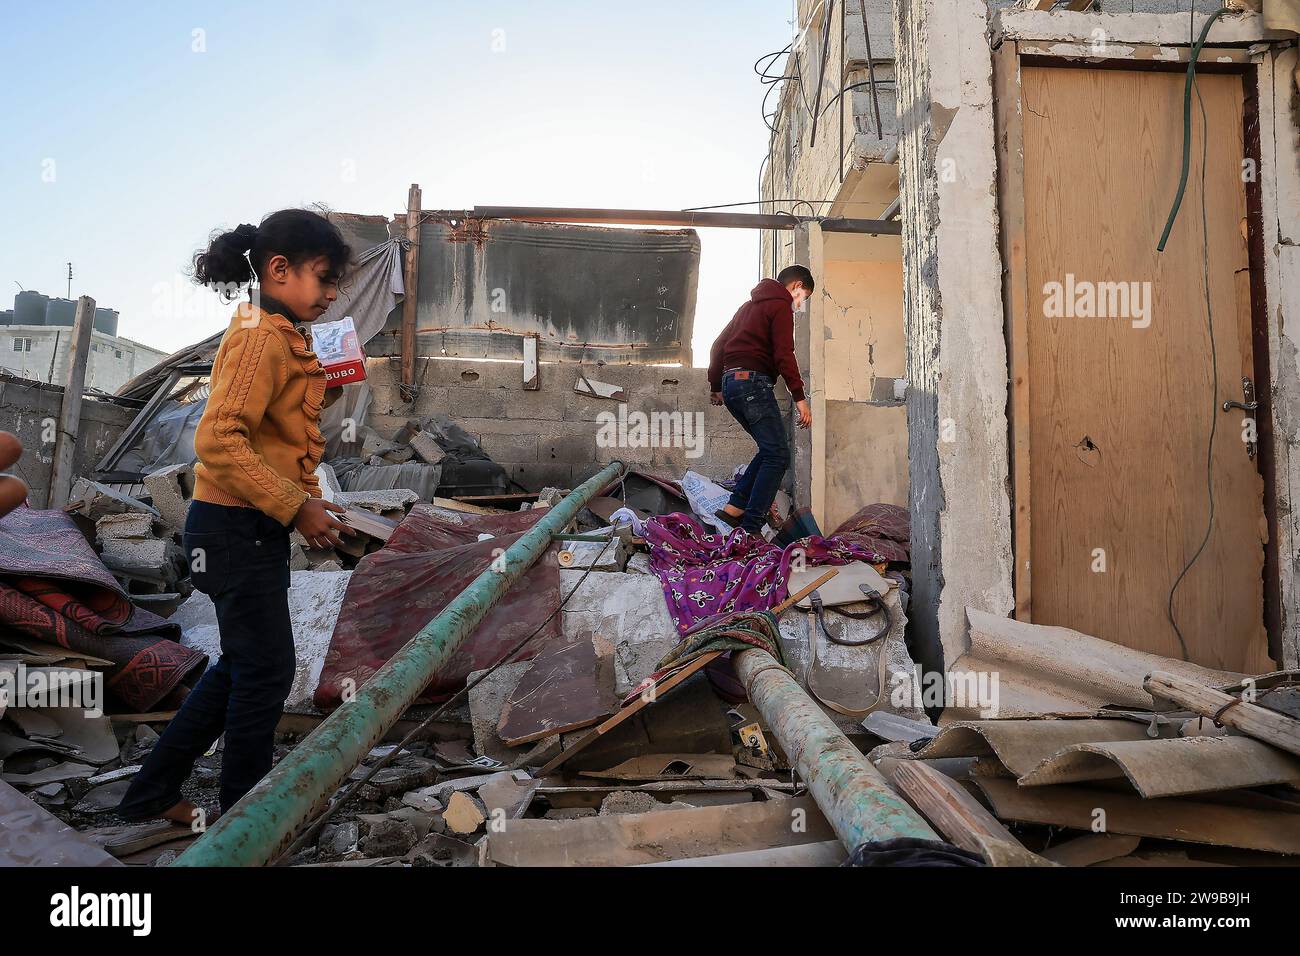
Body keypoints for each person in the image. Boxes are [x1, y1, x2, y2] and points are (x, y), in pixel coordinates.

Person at [118, 209, 354, 826]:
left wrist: (306, 503)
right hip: (231, 531)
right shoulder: (257, 338)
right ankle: (247, 815)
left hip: (247, 529)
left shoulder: (276, 332)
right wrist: (294, 505)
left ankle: (151, 792)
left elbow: (274, 442)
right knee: (265, 672)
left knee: (247, 666)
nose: (332, 295)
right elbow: (219, 439)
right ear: (280, 270)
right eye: (325, 279)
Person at [707, 264, 814, 535]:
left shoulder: (747, 307)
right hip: (753, 385)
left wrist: (716, 385)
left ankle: (734, 507)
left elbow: (719, 345)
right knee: (778, 456)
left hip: (733, 386)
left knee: (770, 451)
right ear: (797, 285)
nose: (800, 304)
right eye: (804, 297)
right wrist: (800, 397)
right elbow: (784, 354)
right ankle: (751, 527)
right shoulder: (780, 304)